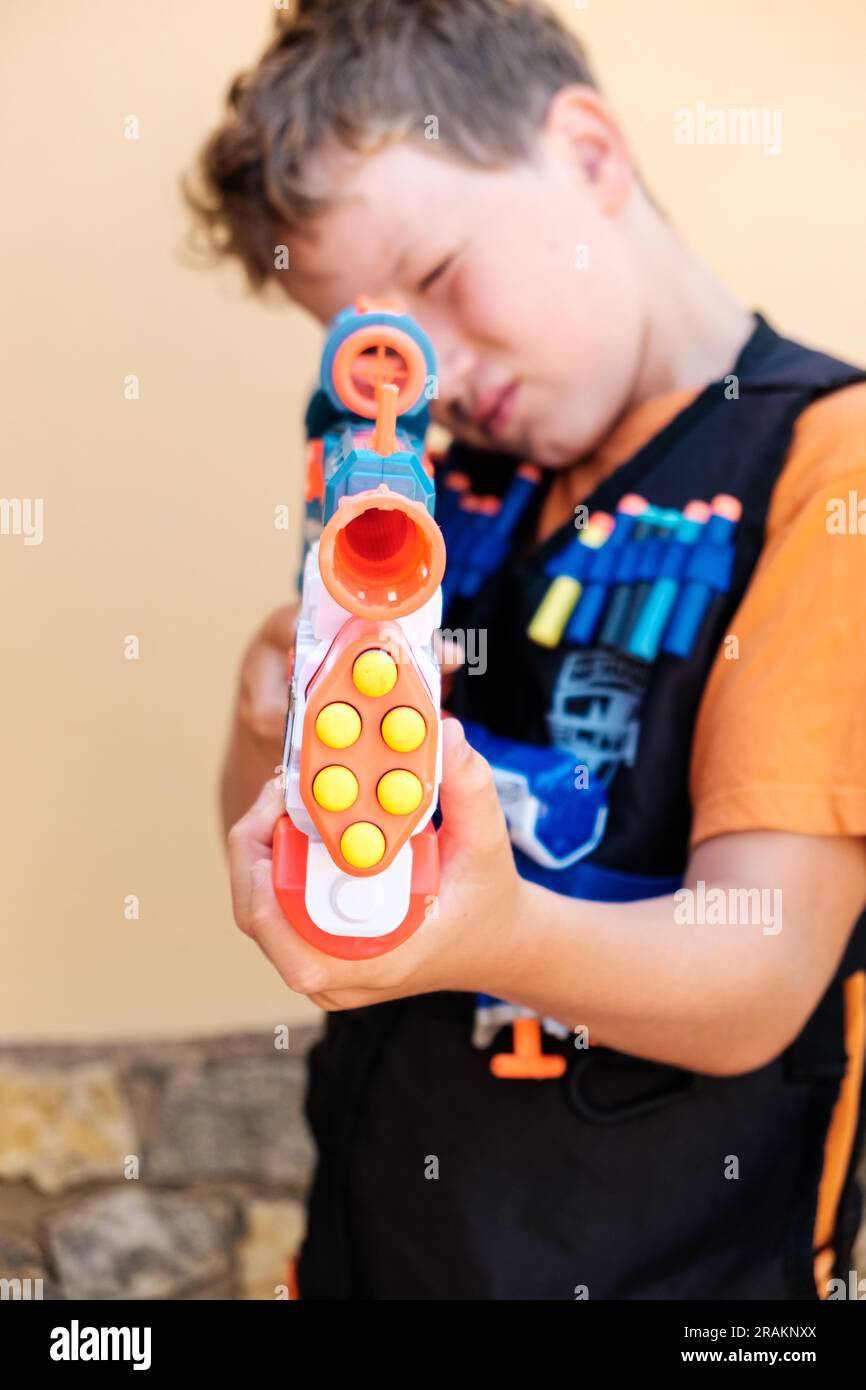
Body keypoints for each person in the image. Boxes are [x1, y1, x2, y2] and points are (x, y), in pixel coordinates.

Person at [188, 0, 866, 1298]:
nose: (429, 373)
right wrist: (265, 719)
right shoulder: (421, 486)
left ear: (588, 153)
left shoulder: (827, 468)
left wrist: (491, 933)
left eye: (438, 279)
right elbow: (288, 857)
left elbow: (760, 972)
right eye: (371, 342)